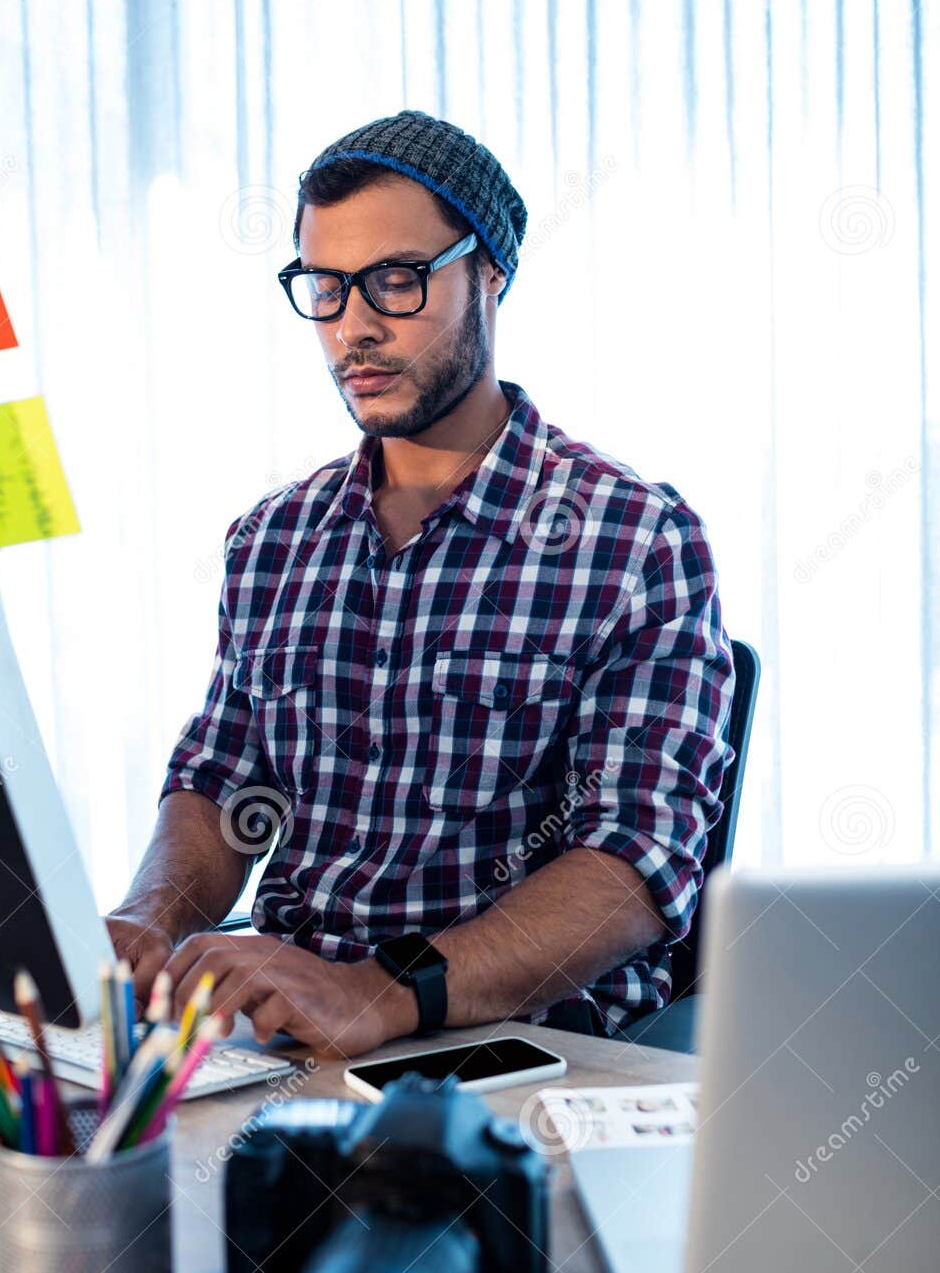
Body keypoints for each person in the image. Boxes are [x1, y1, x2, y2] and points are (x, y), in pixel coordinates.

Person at [106, 109, 735, 1056]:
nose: (354, 327)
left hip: (513, 1046)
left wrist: (378, 991)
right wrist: (150, 924)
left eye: (396, 282)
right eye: (325, 287)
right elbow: (224, 783)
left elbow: (633, 867)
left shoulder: (634, 539)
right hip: (283, 1030)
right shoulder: (271, 541)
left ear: (490, 273)